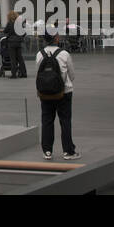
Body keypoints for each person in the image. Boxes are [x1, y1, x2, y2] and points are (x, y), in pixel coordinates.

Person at [35, 30, 79, 161]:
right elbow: (72, 75)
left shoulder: (39, 54)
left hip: (45, 93)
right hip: (64, 92)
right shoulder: (64, 54)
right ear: (56, 38)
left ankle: (47, 150)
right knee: (65, 121)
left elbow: (38, 73)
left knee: (47, 121)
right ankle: (68, 151)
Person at [3, 10, 27, 79]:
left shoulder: (9, 23)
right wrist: (20, 37)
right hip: (18, 42)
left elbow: (5, 31)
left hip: (11, 43)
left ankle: (14, 74)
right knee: (20, 58)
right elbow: (24, 33)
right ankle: (24, 73)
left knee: (13, 59)